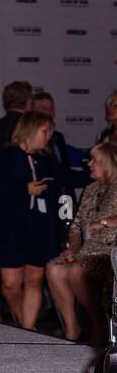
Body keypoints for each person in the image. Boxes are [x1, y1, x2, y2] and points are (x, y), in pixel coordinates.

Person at [0, 111, 66, 331]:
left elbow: (63, 183)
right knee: (10, 285)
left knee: (33, 281)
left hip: (39, 228)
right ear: (30, 130)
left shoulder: (47, 161)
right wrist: (24, 190)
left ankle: (27, 331)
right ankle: (23, 324)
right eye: (44, 132)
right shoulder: (4, 157)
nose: (47, 137)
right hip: (10, 229)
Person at [47, 141, 117, 344]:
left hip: (108, 252)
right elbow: (76, 226)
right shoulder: (90, 189)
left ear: (107, 163)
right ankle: (72, 329)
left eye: (94, 160)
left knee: (77, 271)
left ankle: (100, 324)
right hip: (86, 251)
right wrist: (73, 248)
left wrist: (103, 222)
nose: (89, 164)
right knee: (54, 268)